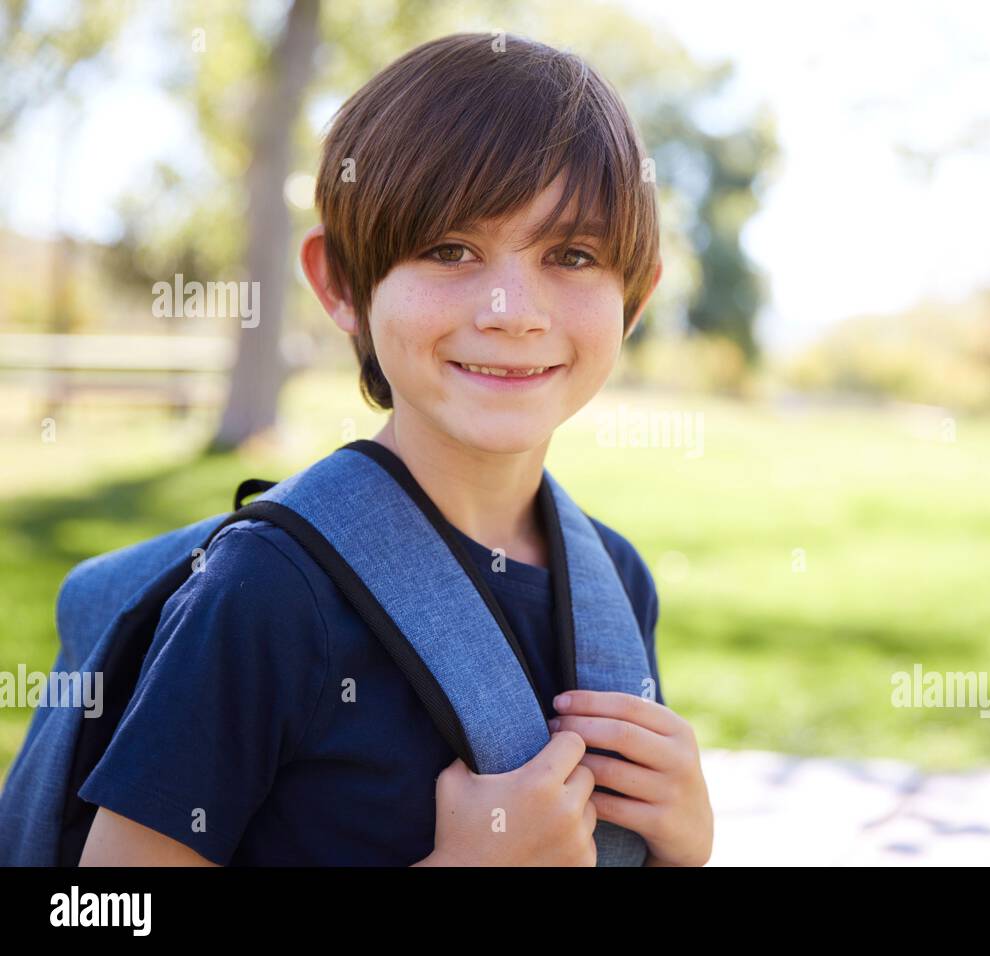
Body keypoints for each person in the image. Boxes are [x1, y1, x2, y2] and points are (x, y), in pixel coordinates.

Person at [77, 31, 713, 867]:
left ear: (634, 299)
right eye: (451, 249)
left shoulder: (615, 584)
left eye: (573, 255)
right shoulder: (266, 594)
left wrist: (683, 848)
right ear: (341, 283)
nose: (511, 310)